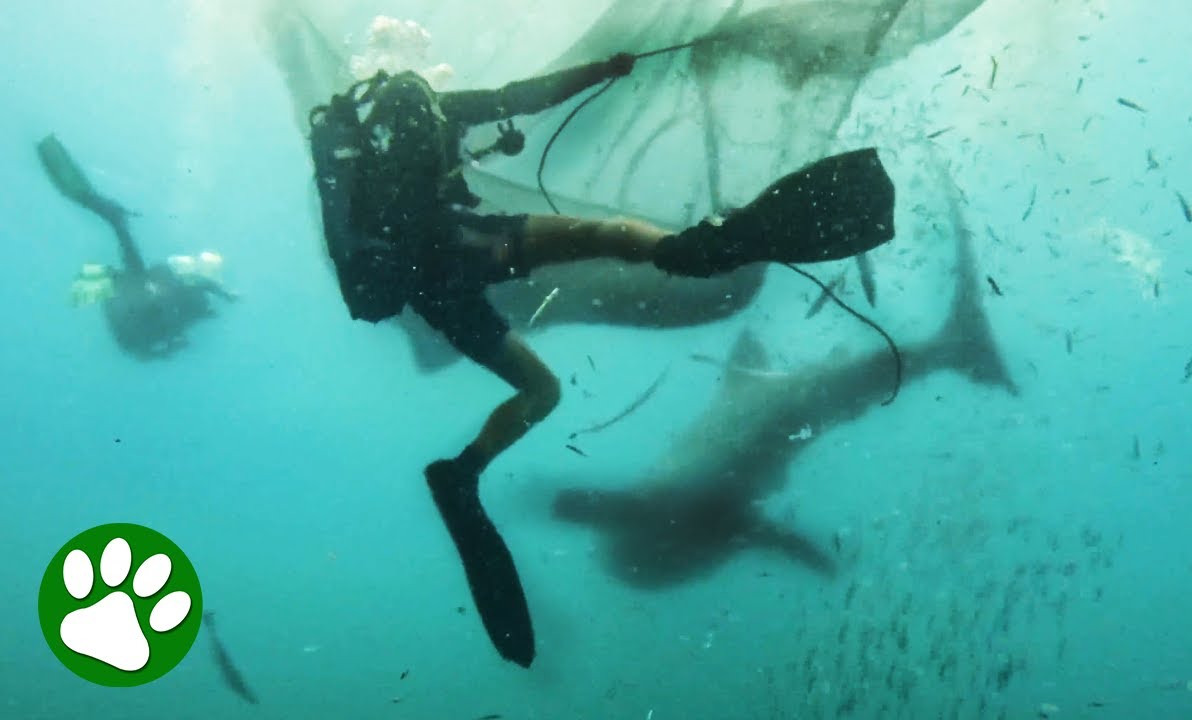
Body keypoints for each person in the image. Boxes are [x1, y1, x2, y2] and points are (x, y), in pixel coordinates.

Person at [307, 52, 896, 667]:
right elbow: (527, 90)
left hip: (426, 291)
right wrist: (603, 68)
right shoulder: (442, 108)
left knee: (542, 389)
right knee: (603, 239)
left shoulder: (350, 158)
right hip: (457, 251)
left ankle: (462, 475)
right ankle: (688, 252)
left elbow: (520, 95)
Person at [37, 134, 237, 360]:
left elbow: (141, 350)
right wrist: (226, 295)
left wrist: (169, 348)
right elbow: (202, 286)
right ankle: (106, 212)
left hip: (132, 299)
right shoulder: (182, 307)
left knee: (126, 246)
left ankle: (107, 213)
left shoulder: (180, 315)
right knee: (126, 246)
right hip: (134, 296)